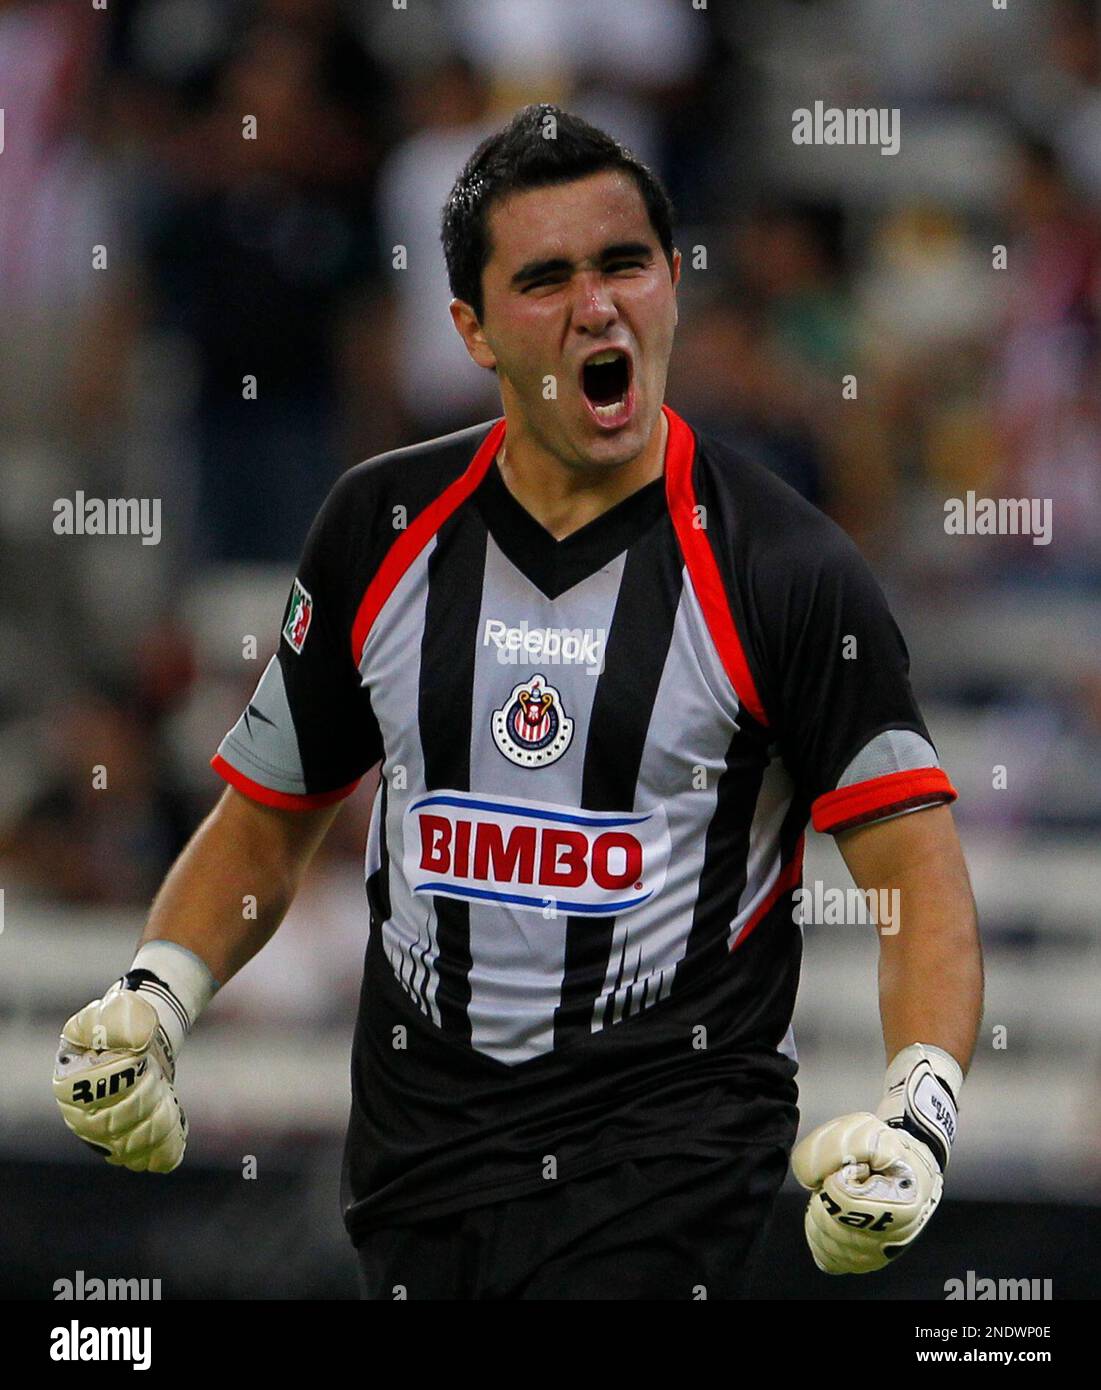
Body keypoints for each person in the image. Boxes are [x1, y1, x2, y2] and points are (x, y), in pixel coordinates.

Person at [52, 104, 983, 1300]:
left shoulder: (787, 569)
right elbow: (268, 815)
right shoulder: (378, 528)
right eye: (546, 279)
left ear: (673, 286)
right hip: (415, 1177)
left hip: (671, 1178)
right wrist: (157, 995)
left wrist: (921, 1109)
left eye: (625, 264)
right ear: (474, 330)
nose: (597, 305)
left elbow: (915, 868)